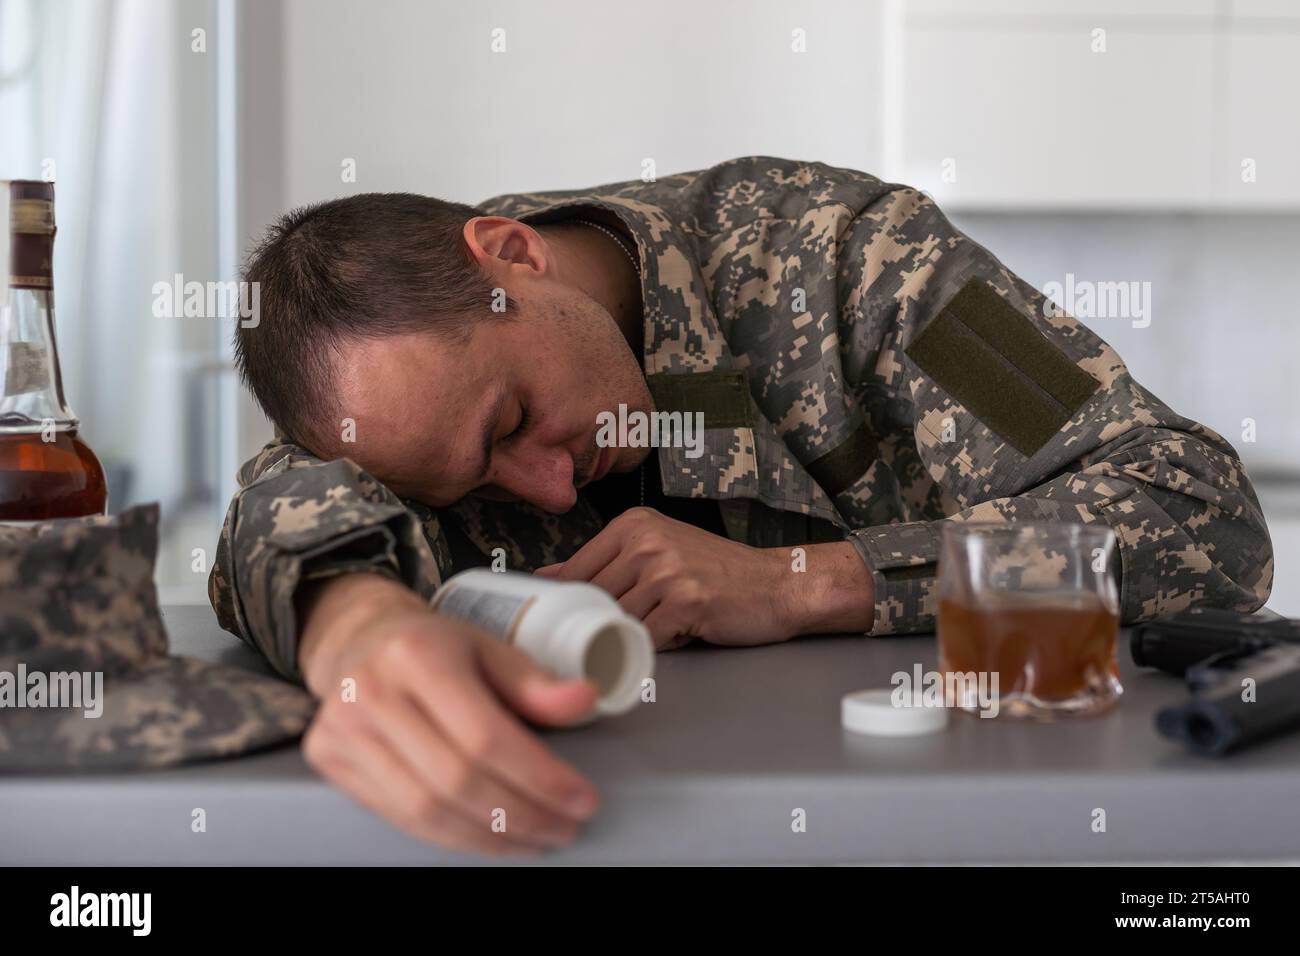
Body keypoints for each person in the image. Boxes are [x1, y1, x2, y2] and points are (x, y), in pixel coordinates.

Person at [209, 156, 1273, 856]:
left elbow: (1195, 509)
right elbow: (275, 511)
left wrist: (807, 580)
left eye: (512, 419)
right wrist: (351, 617)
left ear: (513, 255)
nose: (542, 483)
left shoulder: (850, 258)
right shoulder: (407, 403)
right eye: (476, 482)